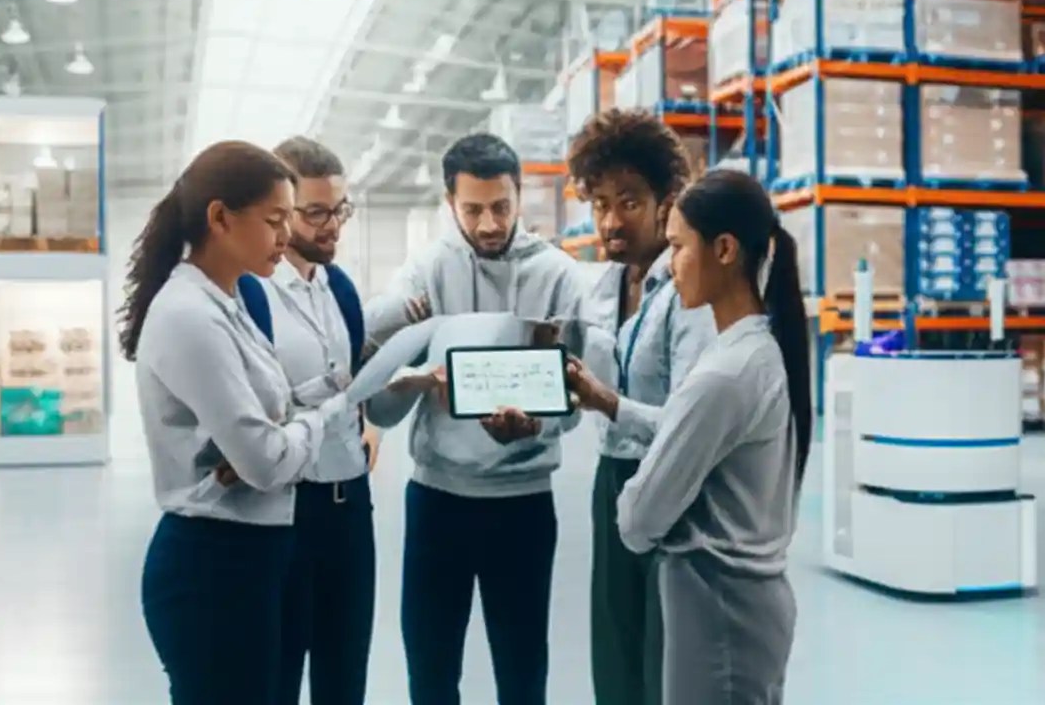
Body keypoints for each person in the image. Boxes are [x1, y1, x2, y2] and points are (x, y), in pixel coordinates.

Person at [565, 169, 812, 705]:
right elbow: (692, 431)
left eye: (677, 247)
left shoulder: (722, 374)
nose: (670, 266)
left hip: (717, 612)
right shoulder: (760, 352)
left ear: (724, 249)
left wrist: (635, 489)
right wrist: (609, 401)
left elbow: (637, 519)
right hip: (745, 607)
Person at [122, 141, 353, 705]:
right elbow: (265, 461)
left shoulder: (225, 302)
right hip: (211, 568)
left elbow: (272, 418)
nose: (285, 235)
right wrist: (320, 419)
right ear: (220, 218)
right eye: (275, 220)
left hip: (250, 560)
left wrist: (324, 397)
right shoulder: (188, 315)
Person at [364, 133, 585, 705]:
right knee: (432, 669)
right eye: (473, 209)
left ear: (519, 198)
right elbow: (380, 394)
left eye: (501, 207)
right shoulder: (424, 274)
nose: (489, 223)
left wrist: (540, 425)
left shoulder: (559, 276)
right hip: (439, 501)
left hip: (524, 503)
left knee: (522, 669)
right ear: (449, 203)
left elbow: (578, 396)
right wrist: (408, 375)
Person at [565, 108, 715, 705]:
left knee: (665, 658)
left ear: (665, 200)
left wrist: (608, 403)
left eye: (627, 201)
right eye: (599, 203)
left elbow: (688, 428)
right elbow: (579, 398)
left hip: (671, 486)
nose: (610, 220)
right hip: (612, 482)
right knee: (616, 652)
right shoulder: (601, 290)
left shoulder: (689, 295)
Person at [233, 136, 375, 705]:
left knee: (345, 676)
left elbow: (355, 385)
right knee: (279, 674)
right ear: (279, 213)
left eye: (339, 209)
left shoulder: (339, 287)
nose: (332, 226)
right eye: (315, 212)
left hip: (351, 507)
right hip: (286, 513)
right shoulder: (250, 292)